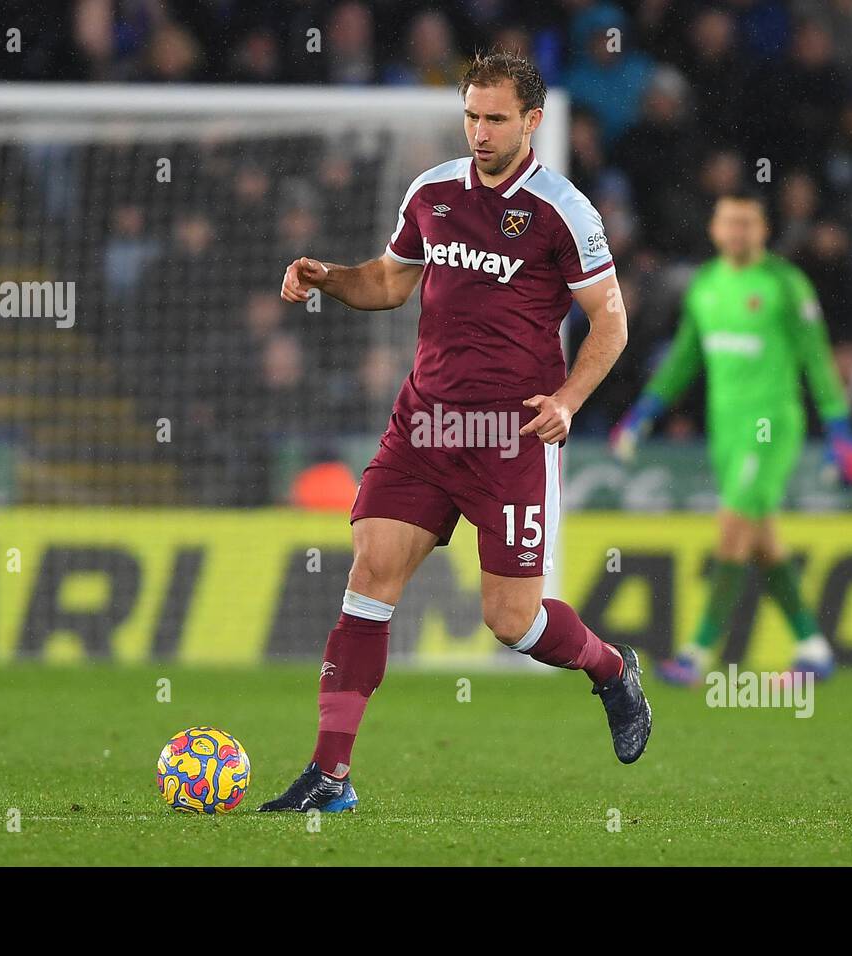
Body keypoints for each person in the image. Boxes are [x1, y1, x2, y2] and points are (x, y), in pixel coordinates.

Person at [263, 51, 651, 813]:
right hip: (425, 423)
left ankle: (609, 668)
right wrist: (329, 278)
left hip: (512, 436)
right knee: (370, 575)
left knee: (511, 623)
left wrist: (569, 400)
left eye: (495, 118)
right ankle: (330, 776)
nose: (478, 130)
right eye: (471, 115)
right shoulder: (433, 191)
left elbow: (612, 320)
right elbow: (389, 280)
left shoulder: (563, 210)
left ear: (531, 122)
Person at [611, 190, 852, 686]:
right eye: (729, 223)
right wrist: (644, 412)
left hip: (770, 428)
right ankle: (813, 648)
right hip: (726, 432)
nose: (738, 232)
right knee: (762, 541)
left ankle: (697, 651)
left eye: (747, 223)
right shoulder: (705, 285)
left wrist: (840, 430)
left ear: (764, 230)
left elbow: (816, 357)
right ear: (714, 229)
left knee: (732, 527)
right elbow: (685, 357)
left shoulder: (786, 284)